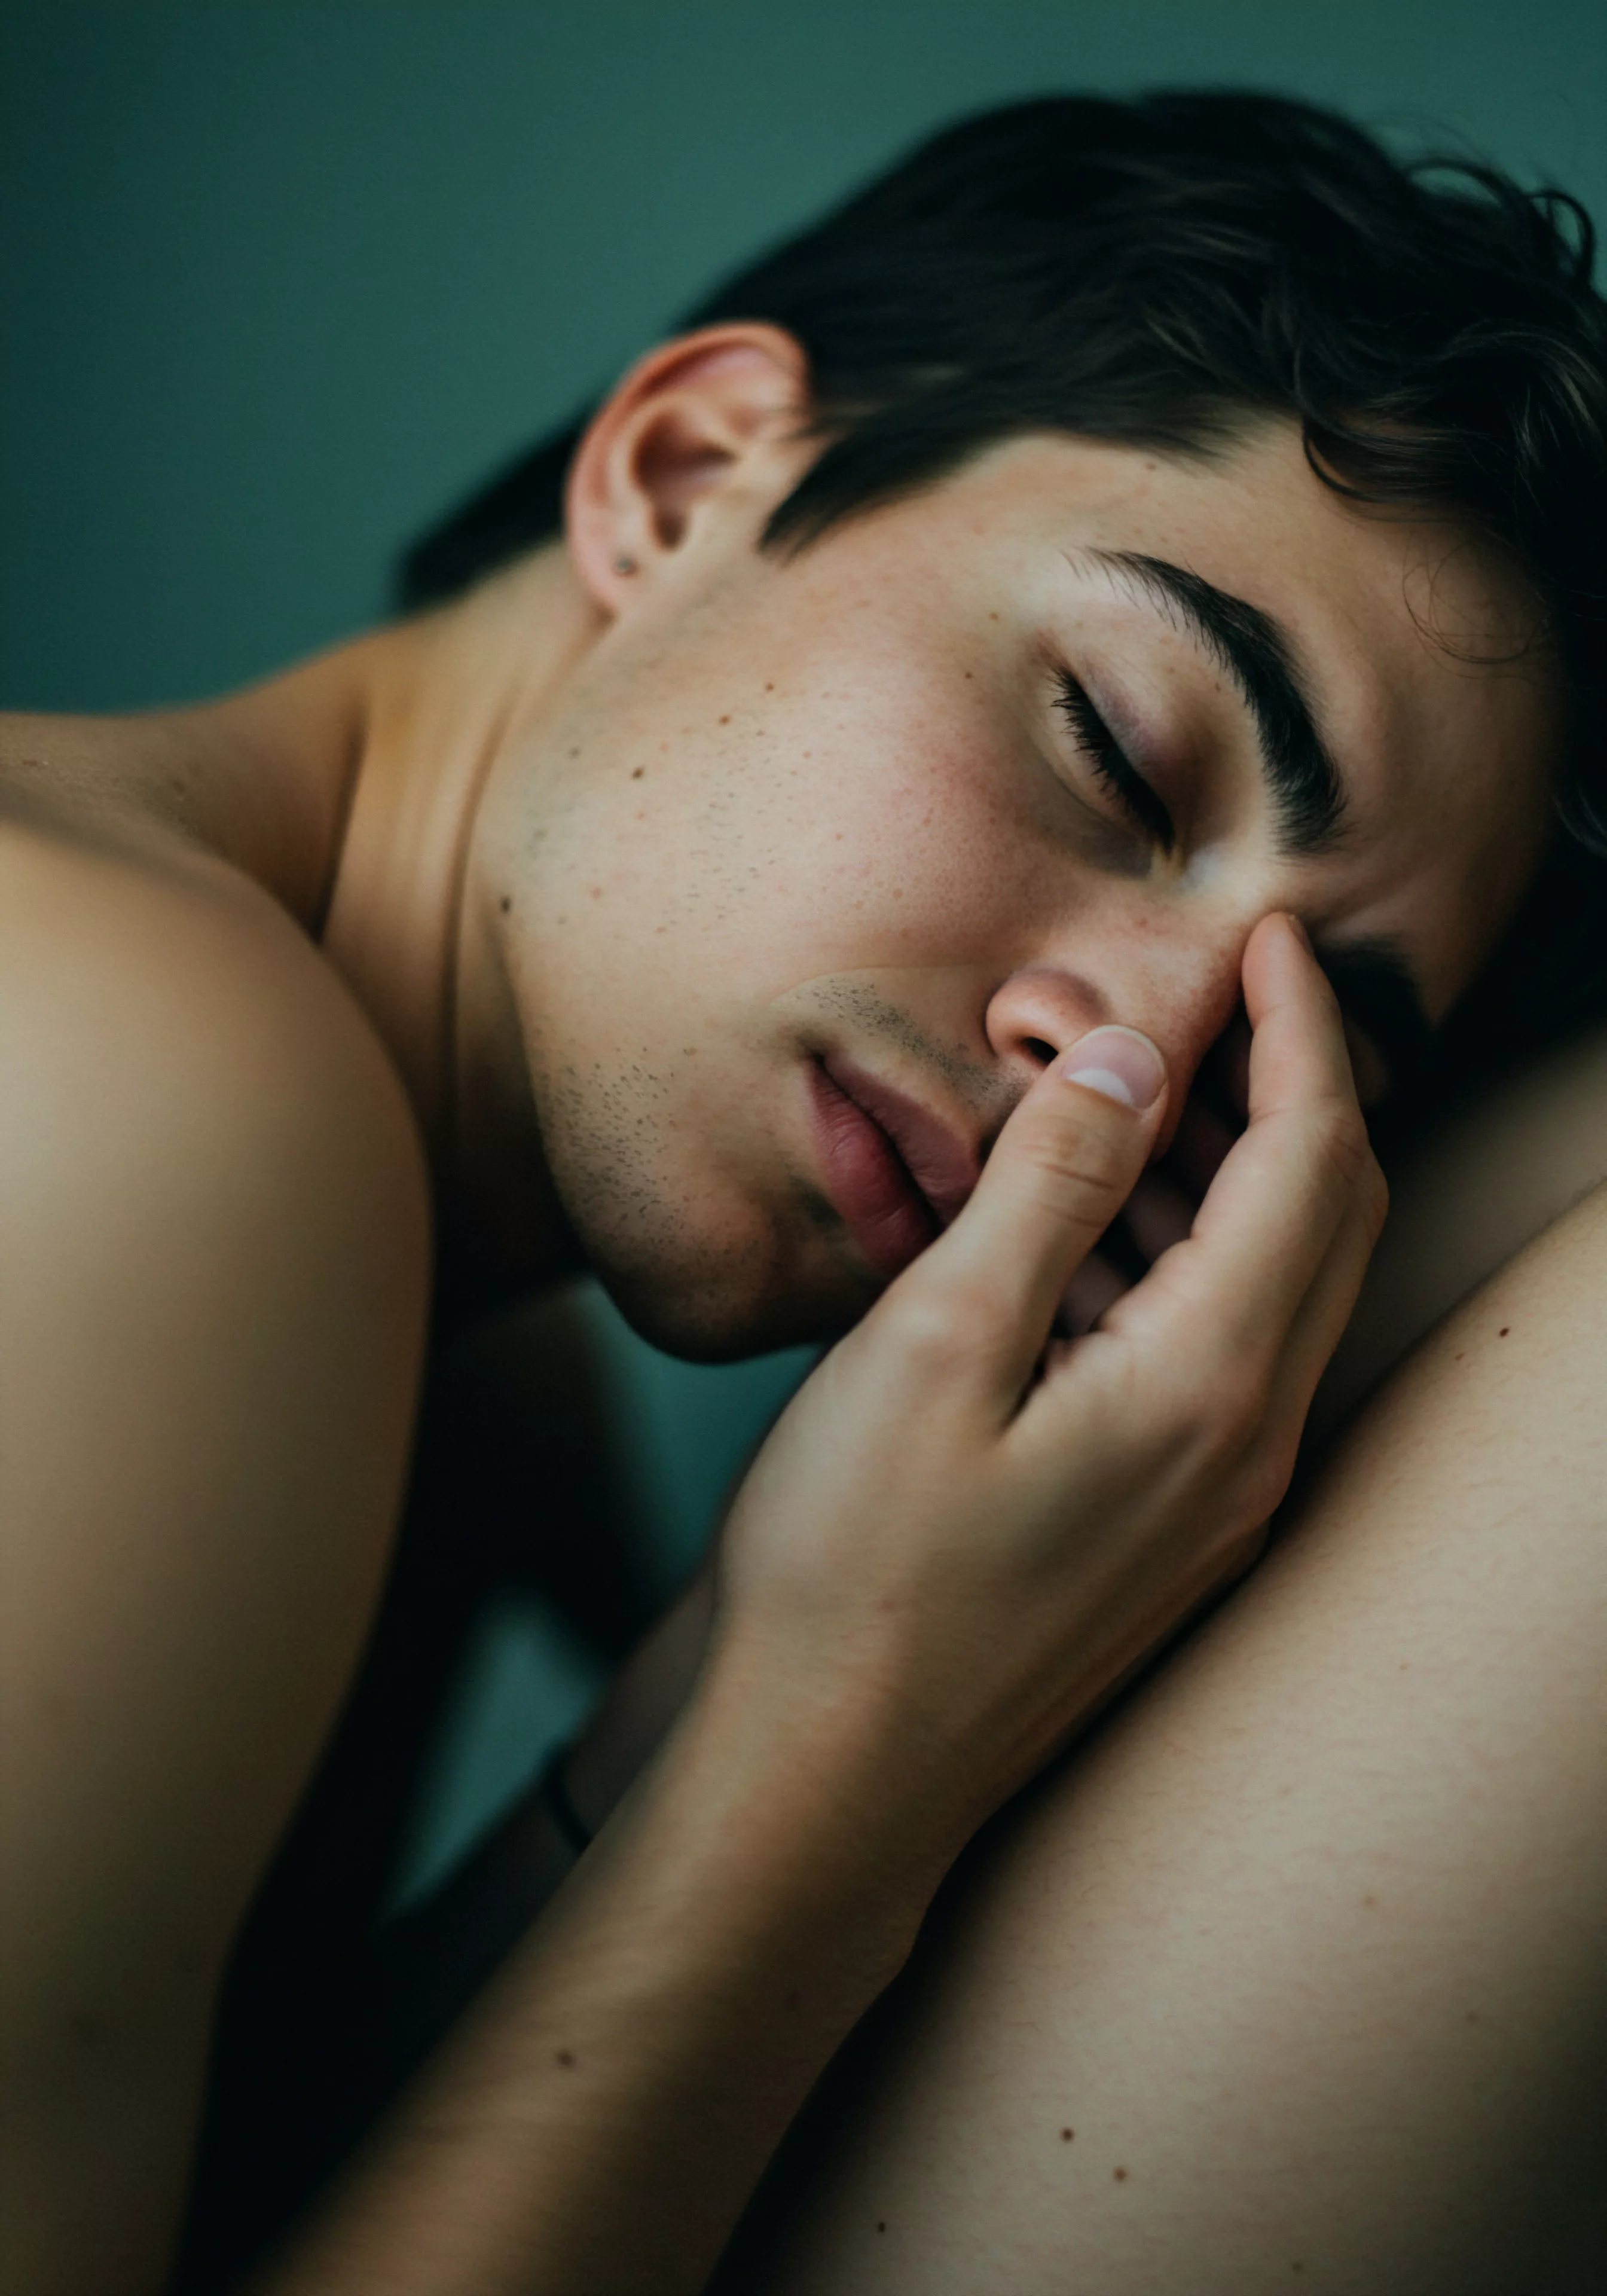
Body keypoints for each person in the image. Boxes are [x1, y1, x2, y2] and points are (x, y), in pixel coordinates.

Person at [2, 89, 1605, 2295]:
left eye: (1275, 1053)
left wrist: (703, 1697)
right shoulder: (138, 1086)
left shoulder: (465, 1377)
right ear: (685, 479)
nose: (1122, 1073)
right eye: (1119, 753)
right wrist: (839, 1757)